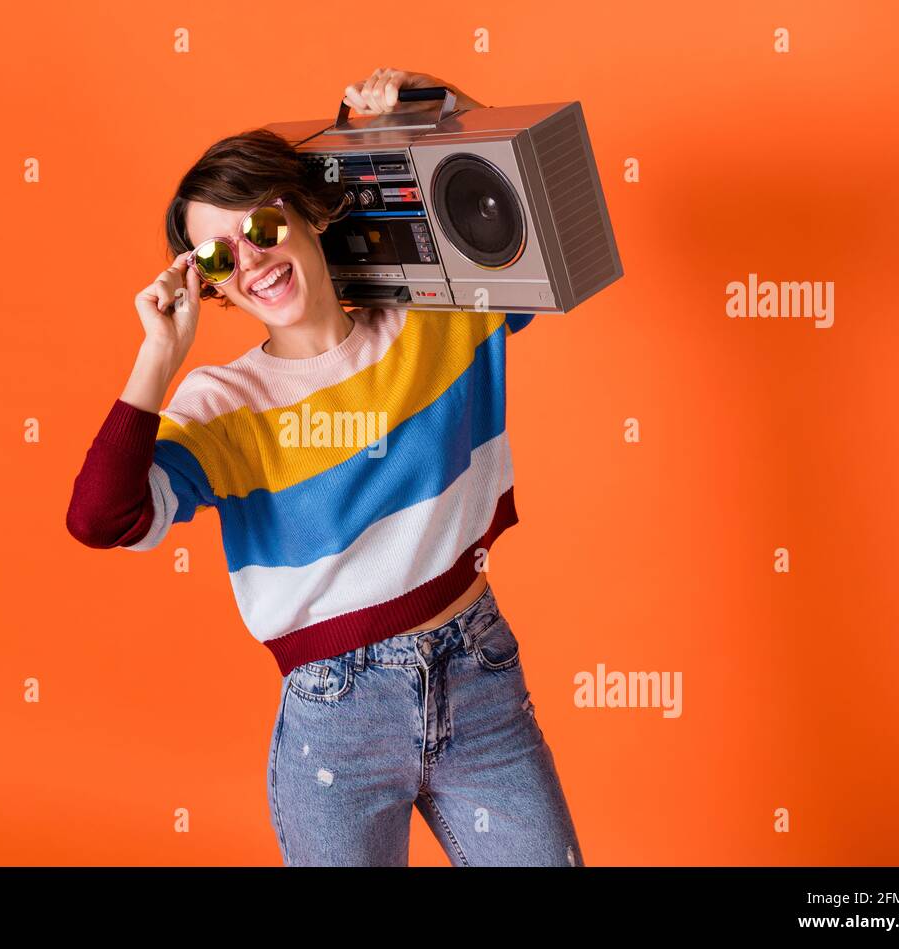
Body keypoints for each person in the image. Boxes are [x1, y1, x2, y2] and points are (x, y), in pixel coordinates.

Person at [66, 67, 585, 866]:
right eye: (215, 256)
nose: (249, 261)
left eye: (264, 229)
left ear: (310, 215)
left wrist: (428, 104)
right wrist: (156, 358)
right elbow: (101, 521)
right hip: (336, 717)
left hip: (480, 675)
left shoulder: (437, 317)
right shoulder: (222, 402)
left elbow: (525, 204)